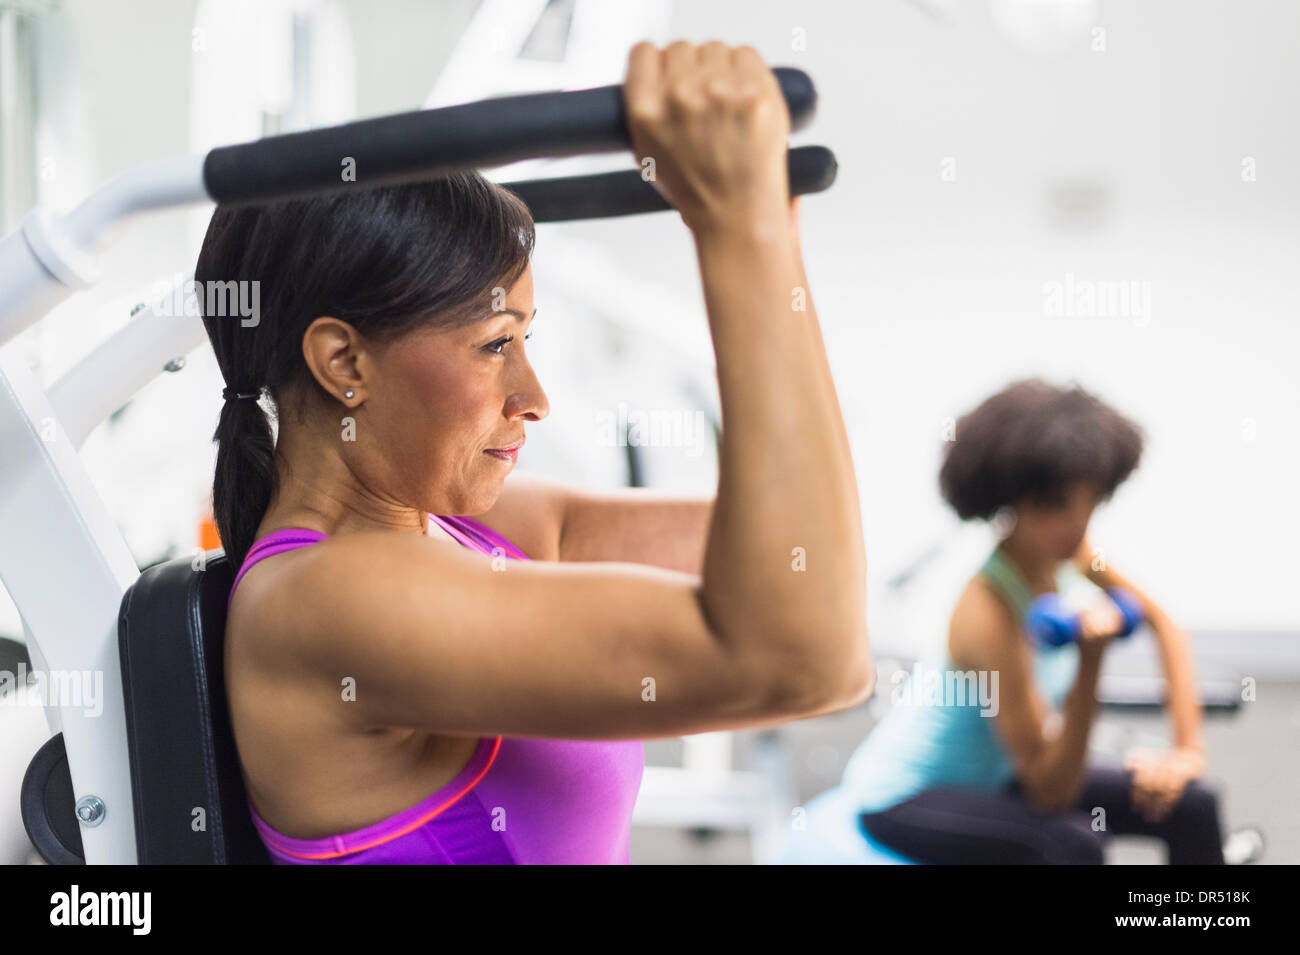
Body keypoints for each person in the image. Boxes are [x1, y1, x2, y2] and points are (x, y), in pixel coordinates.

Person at [198, 40, 872, 864]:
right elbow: (805, 659)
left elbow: (806, 561)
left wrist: (762, 217)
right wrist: (742, 233)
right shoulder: (330, 600)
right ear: (345, 363)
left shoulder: (467, 528)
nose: (535, 397)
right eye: (494, 344)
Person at [843, 379, 1228, 864]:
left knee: (1192, 805)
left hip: (999, 778)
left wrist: (1185, 757)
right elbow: (1050, 791)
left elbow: (1165, 625)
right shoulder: (986, 611)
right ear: (1012, 500)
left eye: (1089, 501)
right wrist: (1091, 660)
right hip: (908, 797)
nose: (1077, 523)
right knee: (1073, 842)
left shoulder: (1070, 553)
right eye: (1056, 506)